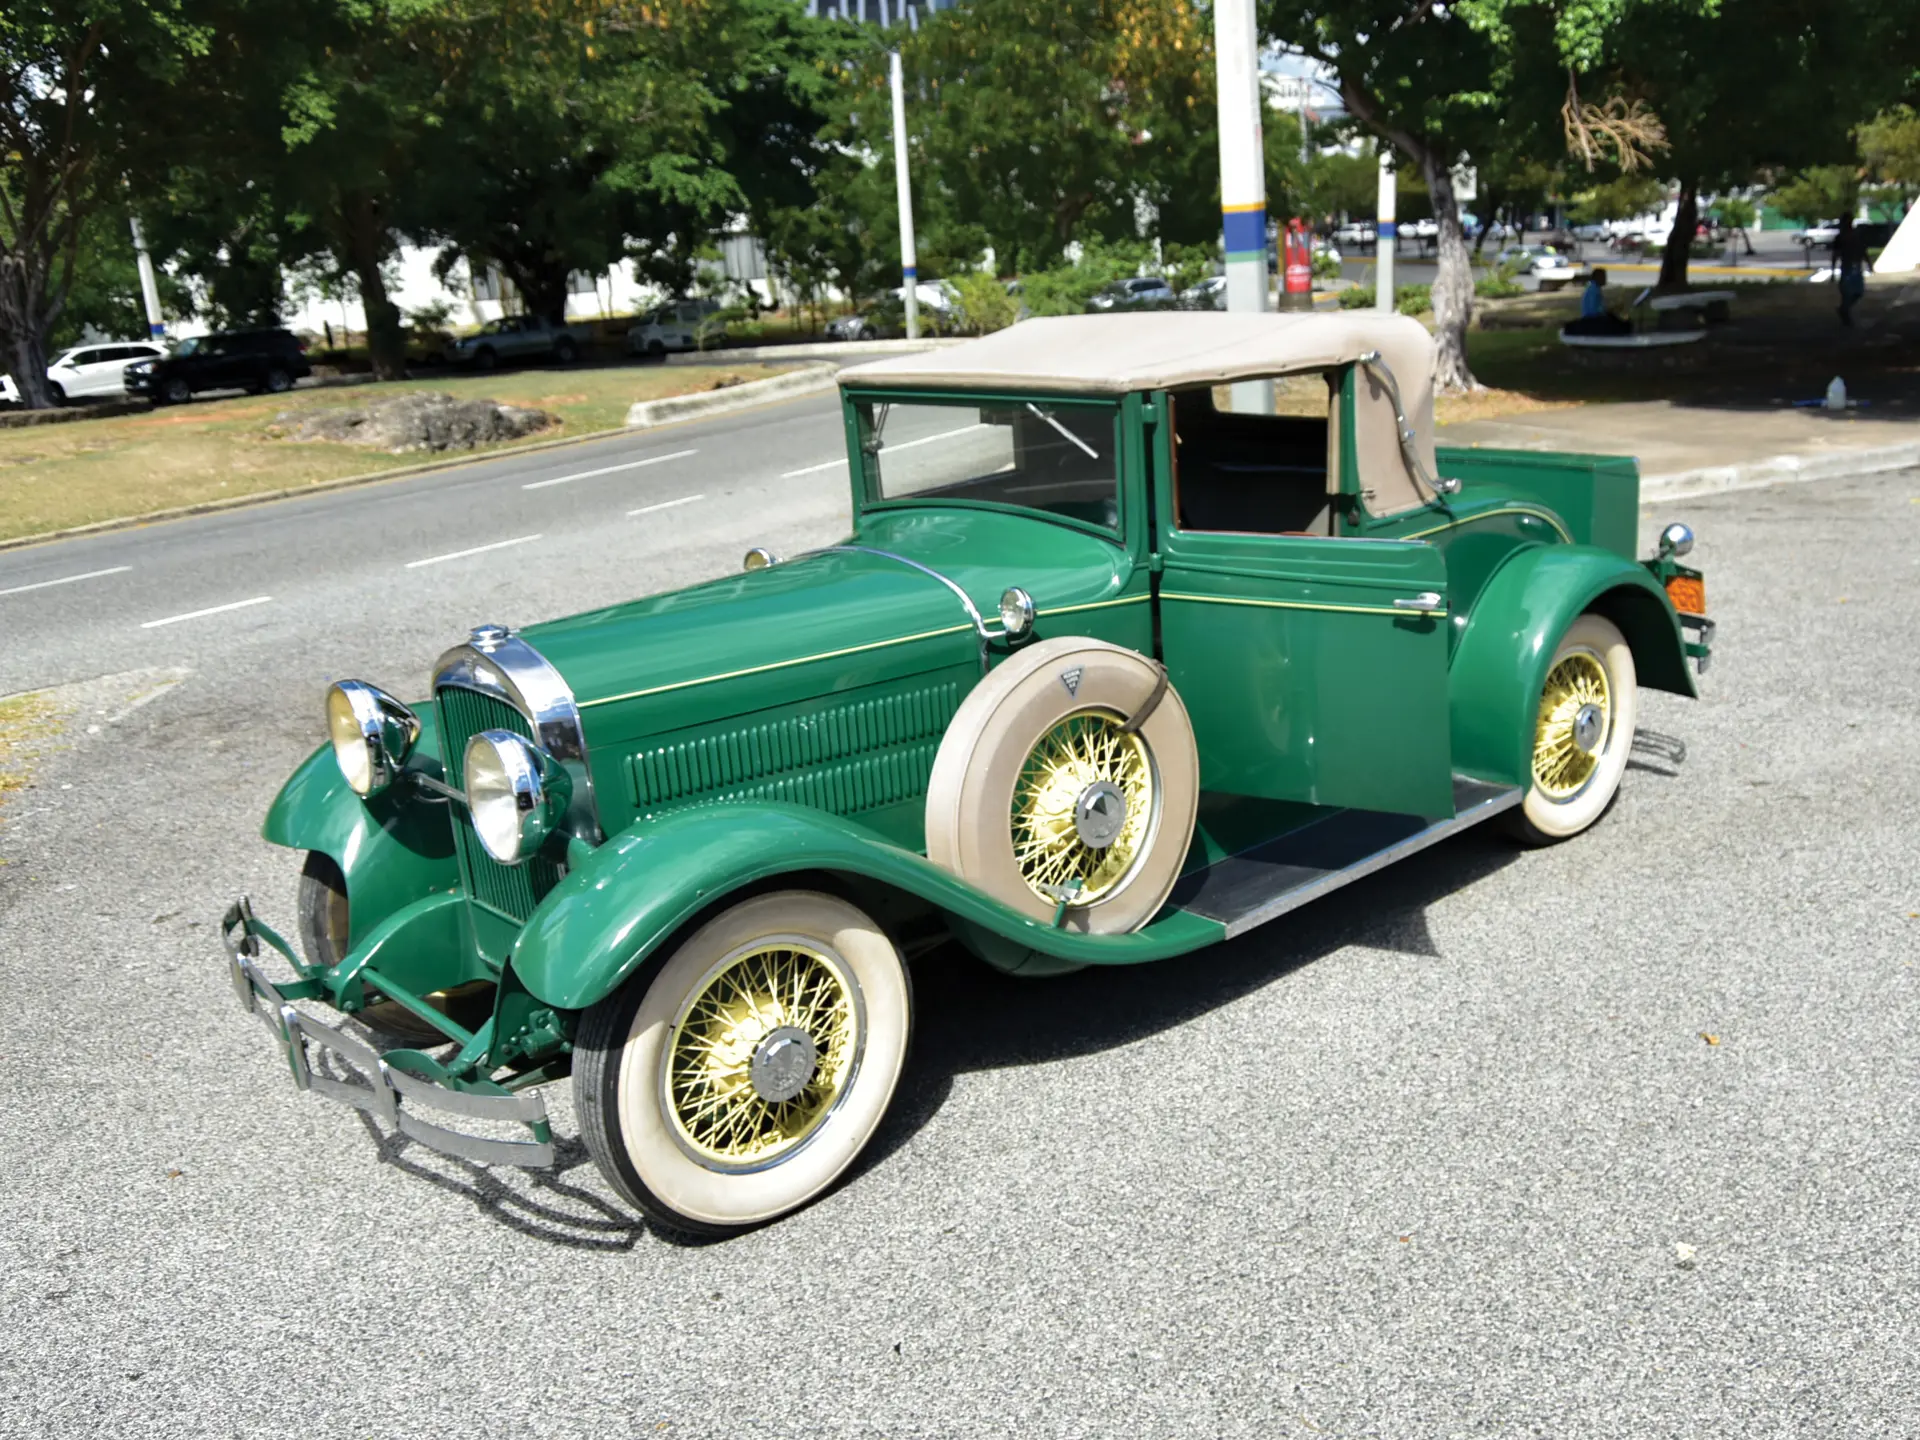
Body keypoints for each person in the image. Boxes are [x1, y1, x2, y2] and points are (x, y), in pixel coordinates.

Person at [1564, 267, 1632, 336]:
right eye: (1604, 277)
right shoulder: (1594, 290)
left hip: (1592, 320)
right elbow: (1596, 312)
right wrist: (1613, 309)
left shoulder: (1593, 288)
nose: (1605, 279)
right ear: (1598, 277)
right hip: (1592, 321)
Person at [1835, 225, 1868, 327]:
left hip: (1854, 267)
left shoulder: (1856, 236)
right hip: (1847, 267)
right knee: (1847, 292)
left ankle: (1844, 309)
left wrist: (1869, 263)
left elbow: (1863, 250)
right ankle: (1845, 313)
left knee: (1857, 292)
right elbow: (1836, 253)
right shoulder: (1840, 237)